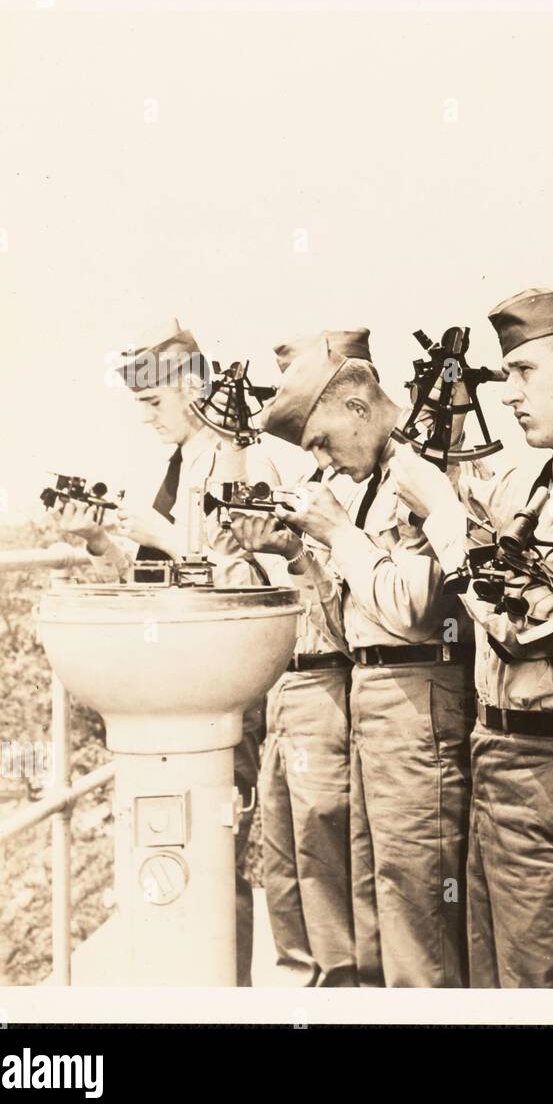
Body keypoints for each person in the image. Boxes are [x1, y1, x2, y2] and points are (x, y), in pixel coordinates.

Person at [391, 287, 553, 988]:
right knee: (497, 981)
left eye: (524, 372)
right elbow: (491, 543)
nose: (507, 394)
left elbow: (525, 623)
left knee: (549, 983)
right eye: (504, 375)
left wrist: (445, 513)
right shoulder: (539, 478)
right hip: (504, 753)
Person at [50, 318, 278, 985]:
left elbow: (251, 585)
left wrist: (169, 537)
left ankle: (219, 991)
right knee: (184, 852)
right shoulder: (182, 465)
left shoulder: (240, 458)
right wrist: (103, 543)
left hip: (220, 684)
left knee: (214, 854)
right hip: (181, 682)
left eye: (153, 404)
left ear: (192, 388)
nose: (147, 420)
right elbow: (164, 578)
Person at [259, 330, 478, 987]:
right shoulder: (367, 483)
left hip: (419, 698)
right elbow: (346, 622)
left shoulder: (424, 473)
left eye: (323, 440)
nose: (322, 458)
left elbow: (418, 609)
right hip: (371, 697)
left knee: (417, 914)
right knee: (375, 906)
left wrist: (337, 534)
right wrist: (301, 553)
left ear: (358, 405)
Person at [226, 332, 371, 988]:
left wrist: (298, 550)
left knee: (325, 860)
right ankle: (297, 988)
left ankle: (337, 990)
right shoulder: (311, 484)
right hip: (286, 686)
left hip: (327, 686)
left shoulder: (364, 491)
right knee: (282, 865)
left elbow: (351, 617)